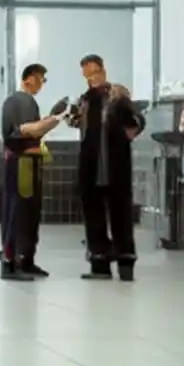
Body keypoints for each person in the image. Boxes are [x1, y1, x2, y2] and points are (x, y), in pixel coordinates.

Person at [69, 54, 146, 282]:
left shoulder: (117, 97)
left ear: (103, 70)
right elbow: (71, 120)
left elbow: (137, 120)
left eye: (95, 72)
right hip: (91, 168)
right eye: (88, 74)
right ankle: (99, 262)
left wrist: (131, 130)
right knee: (94, 216)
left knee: (120, 214)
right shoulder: (84, 101)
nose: (92, 77)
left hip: (116, 167)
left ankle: (125, 261)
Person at [0, 63, 69, 281]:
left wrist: (53, 118)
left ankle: (26, 259)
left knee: (30, 213)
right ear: (28, 78)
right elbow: (25, 130)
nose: (42, 84)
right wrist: (55, 118)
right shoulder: (17, 101)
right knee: (17, 213)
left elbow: (35, 129)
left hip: (30, 162)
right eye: (40, 78)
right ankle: (10, 262)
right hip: (21, 163)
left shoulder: (28, 102)